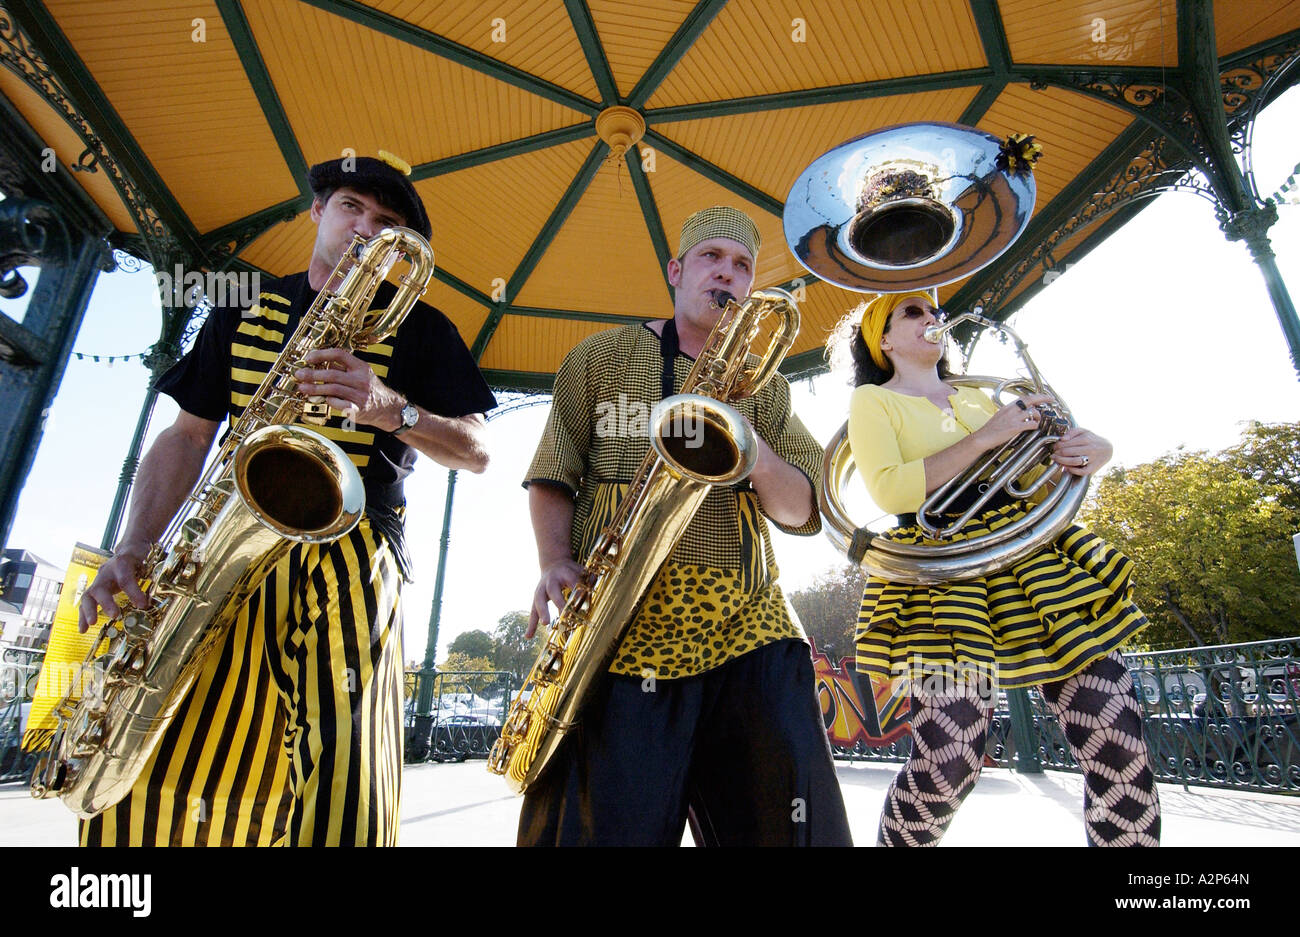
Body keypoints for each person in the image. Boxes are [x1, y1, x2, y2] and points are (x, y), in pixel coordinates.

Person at [76, 152, 497, 846]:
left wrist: (390, 407)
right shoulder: (242, 306)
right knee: (151, 762)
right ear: (317, 211)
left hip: (354, 556)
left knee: (347, 779)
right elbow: (185, 438)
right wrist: (134, 545)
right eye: (351, 207)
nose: (365, 227)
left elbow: (478, 452)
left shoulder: (422, 328)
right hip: (218, 551)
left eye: (386, 221)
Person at [518, 206, 852, 846]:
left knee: (792, 826)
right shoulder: (598, 357)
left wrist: (745, 441)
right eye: (712, 257)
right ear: (676, 270)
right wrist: (553, 561)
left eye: (742, 266)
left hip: (748, 622)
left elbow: (803, 509)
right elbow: (553, 472)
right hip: (618, 617)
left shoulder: (769, 386)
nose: (726, 274)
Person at [834, 290, 1161, 847]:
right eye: (911, 312)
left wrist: (1094, 449)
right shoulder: (873, 400)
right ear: (881, 338)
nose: (932, 319)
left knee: (1118, 740)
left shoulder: (985, 394)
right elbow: (890, 488)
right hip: (944, 570)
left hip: (1034, 563)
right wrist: (988, 437)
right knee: (949, 757)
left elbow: (1054, 453)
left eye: (934, 311)